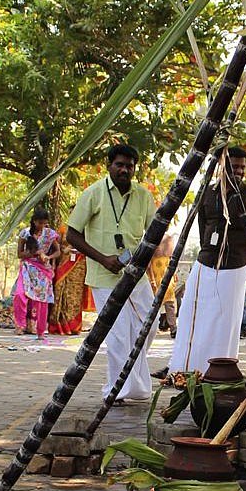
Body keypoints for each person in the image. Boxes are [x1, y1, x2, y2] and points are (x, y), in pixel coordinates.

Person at [169, 146, 246, 376]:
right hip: (205, 263)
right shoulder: (207, 192)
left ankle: (217, 372)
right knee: (191, 314)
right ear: (223, 167)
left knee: (226, 323)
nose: (238, 171)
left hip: (235, 268)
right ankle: (184, 368)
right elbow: (203, 225)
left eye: (242, 167)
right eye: (234, 166)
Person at [67, 143, 157, 400]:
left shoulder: (143, 196)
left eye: (129, 166)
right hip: (105, 275)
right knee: (118, 335)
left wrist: (144, 259)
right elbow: (73, 234)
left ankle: (136, 385)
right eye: (119, 165)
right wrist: (102, 258)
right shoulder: (93, 193)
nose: (124, 170)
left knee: (148, 327)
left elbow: (154, 232)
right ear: (109, 166)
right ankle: (115, 391)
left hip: (135, 275)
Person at [13, 207, 61, 338]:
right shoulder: (25, 233)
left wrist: (48, 257)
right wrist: (33, 253)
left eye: (44, 223)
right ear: (34, 221)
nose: (42, 226)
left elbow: (58, 251)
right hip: (28, 267)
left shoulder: (50, 234)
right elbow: (19, 253)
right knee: (20, 294)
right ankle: (20, 325)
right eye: (40, 223)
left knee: (42, 299)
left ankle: (40, 331)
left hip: (43, 269)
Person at [49, 227, 86, 336]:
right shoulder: (63, 228)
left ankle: (73, 326)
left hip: (79, 263)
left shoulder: (87, 229)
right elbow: (58, 246)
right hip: (65, 260)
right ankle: (58, 325)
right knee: (60, 289)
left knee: (75, 295)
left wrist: (72, 247)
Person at [148, 231, 178, 337]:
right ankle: (152, 327)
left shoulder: (168, 239)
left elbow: (171, 260)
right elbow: (149, 263)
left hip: (166, 276)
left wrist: (174, 275)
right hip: (158, 276)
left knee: (169, 305)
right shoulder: (156, 238)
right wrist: (151, 279)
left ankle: (173, 328)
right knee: (156, 305)